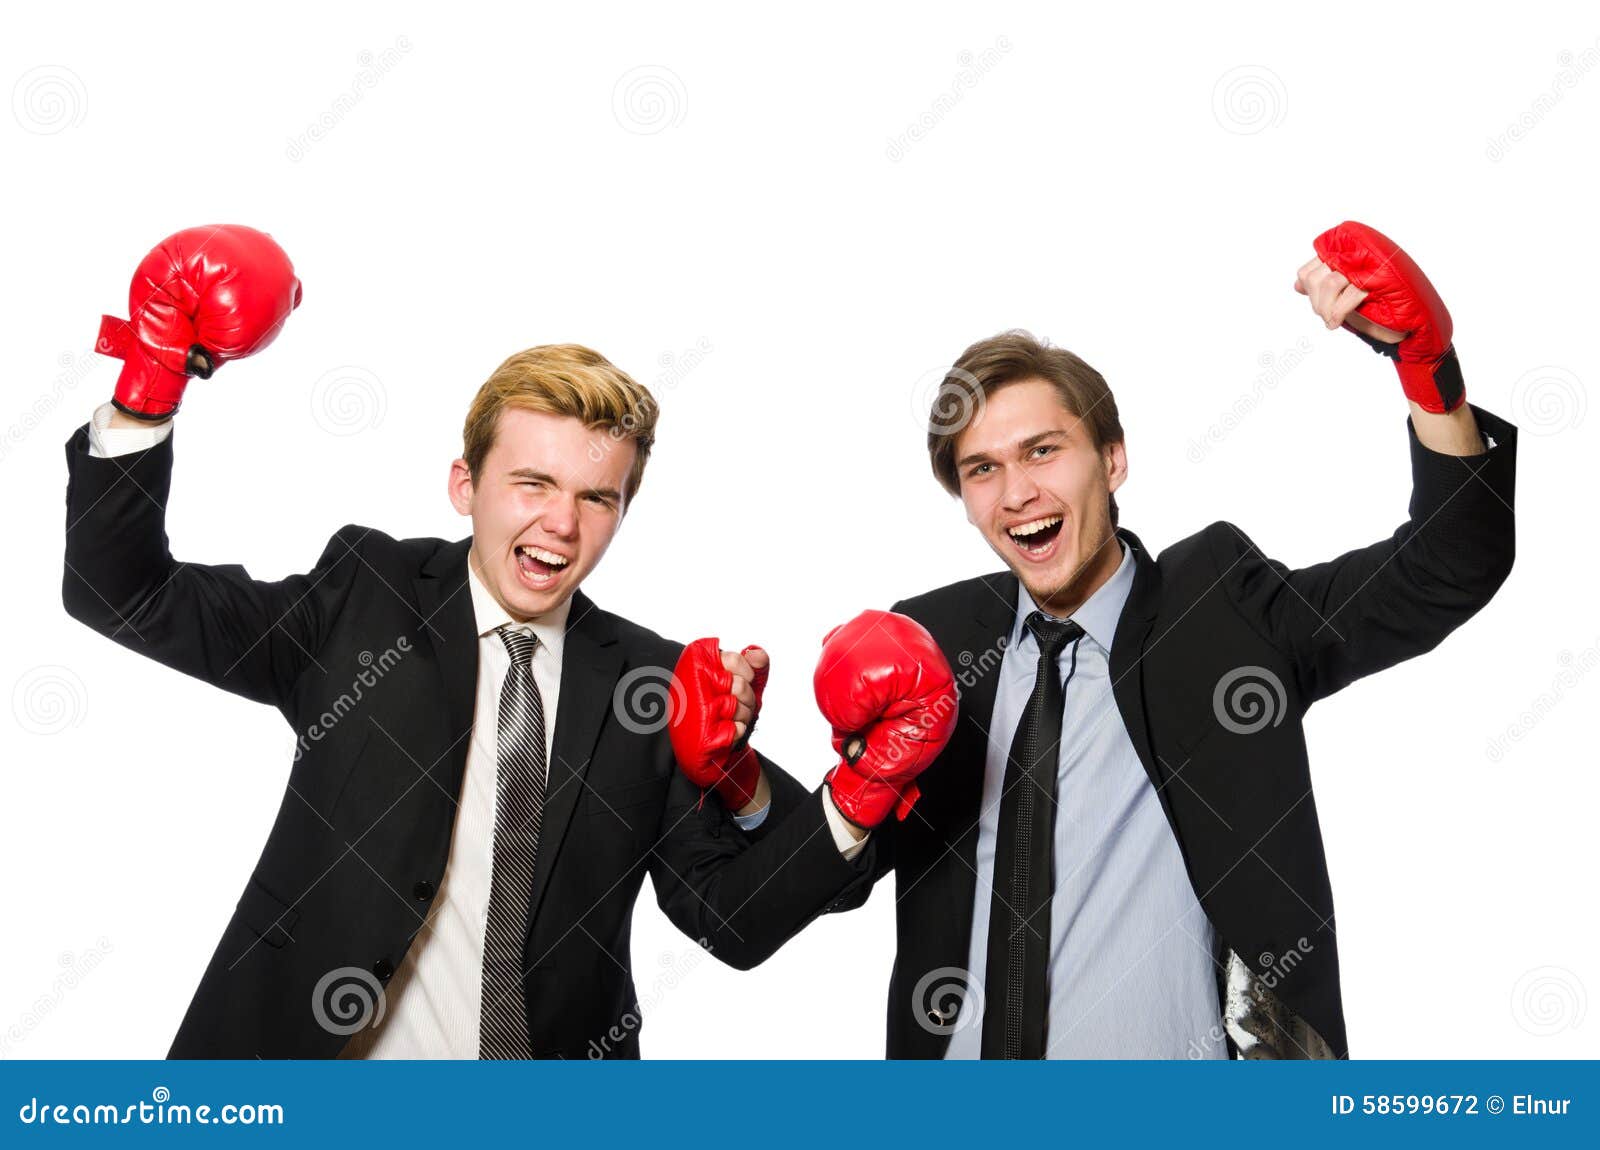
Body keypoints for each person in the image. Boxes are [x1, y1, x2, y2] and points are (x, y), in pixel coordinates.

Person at [62, 224, 916, 1058]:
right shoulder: (367, 595)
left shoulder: (652, 683)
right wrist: (150, 380)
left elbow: (737, 922)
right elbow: (122, 595)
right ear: (464, 485)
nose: (560, 523)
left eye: (596, 497)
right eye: (533, 483)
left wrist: (756, 781)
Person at [674, 221, 1517, 1058]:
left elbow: (1444, 570)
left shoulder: (1221, 607)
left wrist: (1426, 374)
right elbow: (841, 876)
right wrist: (739, 775)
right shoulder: (937, 638)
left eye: (1043, 451)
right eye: (982, 469)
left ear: (1111, 461)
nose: (1016, 494)